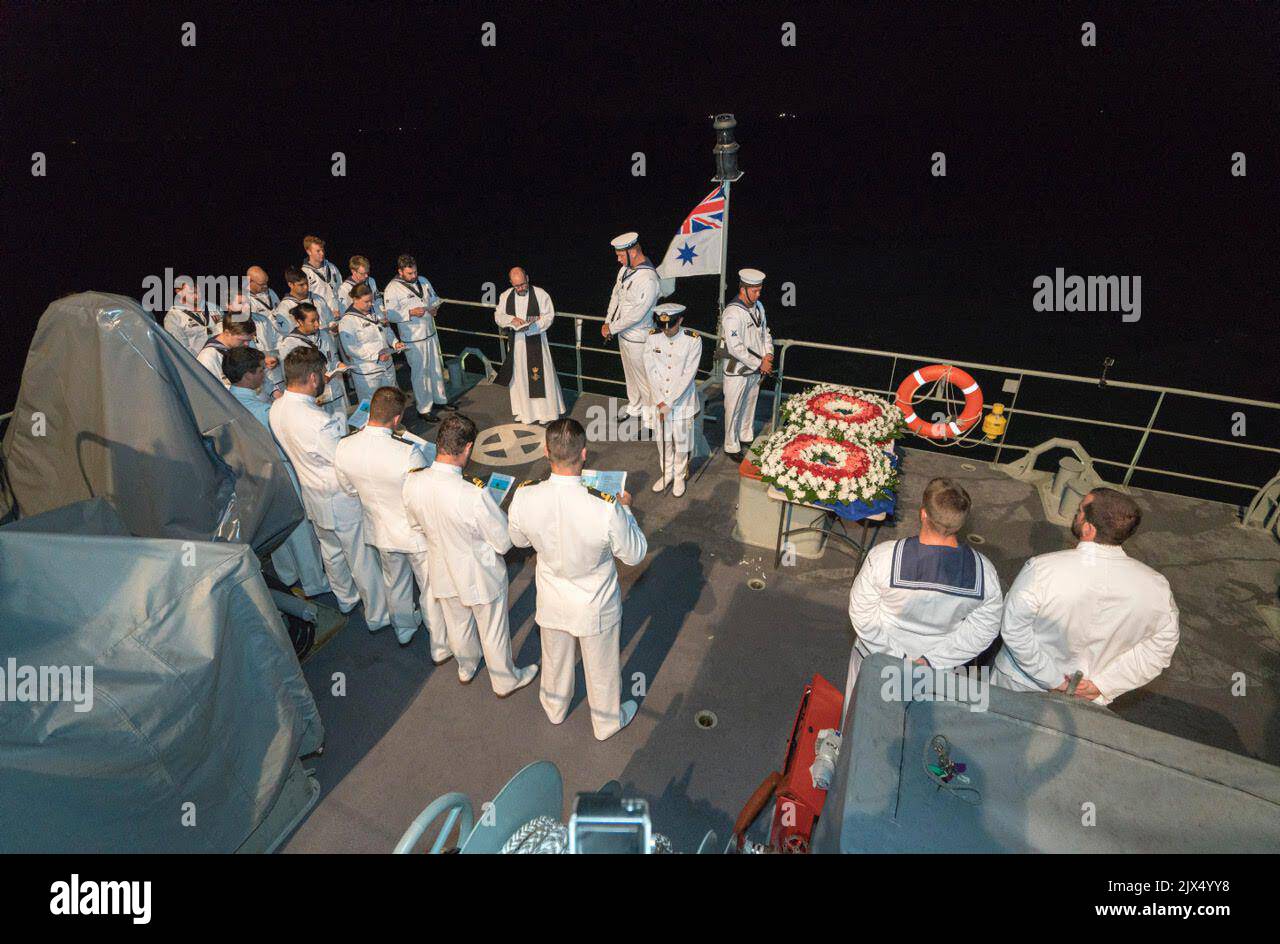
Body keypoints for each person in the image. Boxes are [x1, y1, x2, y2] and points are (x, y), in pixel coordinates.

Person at [507, 418, 647, 740]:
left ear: (546, 452)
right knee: (602, 667)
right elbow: (635, 554)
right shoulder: (605, 507)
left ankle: (555, 709)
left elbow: (518, 540)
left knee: (555, 660)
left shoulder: (525, 496)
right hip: (594, 603)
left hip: (552, 597)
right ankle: (606, 722)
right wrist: (626, 510)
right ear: (583, 454)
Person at [992, 487, 1180, 705]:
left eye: (1080, 510)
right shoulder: (1157, 586)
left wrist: (1054, 679)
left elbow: (1014, 628)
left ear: (1089, 529)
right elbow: (1161, 647)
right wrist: (1103, 684)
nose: (1076, 513)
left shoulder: (1042, 569)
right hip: (1086, 700)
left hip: (1018, 684)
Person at [402, 412, 539, 695]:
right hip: (479, 573)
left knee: (458, 624)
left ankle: (466, 666)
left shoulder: (413, 482)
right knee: (492, 630)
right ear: (467, 448)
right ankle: (504, 680)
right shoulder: (473, 494)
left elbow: (415, 526)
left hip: (441, 567)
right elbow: (503, 542)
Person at [843, 478, 1004, 708]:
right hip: (936, 671)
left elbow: (862, 614)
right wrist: (930, 661)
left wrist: (898, 658)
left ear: (923, 514)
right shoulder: (984, 573)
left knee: (860, 715)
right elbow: (984, 630)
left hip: (878, 659)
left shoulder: (883, 558)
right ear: (960, 523)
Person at [270, 346, 390, 630]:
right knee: (361, 557)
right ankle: (378, 615)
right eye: (322, 373)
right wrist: (359, 437)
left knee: (332, 552)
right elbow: (341, 460)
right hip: (339, 497)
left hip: (312, 493)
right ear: (313, 378)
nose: (325, 378)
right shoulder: (317, 422)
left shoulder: (276, 408)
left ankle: (346, 598)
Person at [333, 387, 446, 648]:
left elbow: (349, 489)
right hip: (413, 531)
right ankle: (439, 642)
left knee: (394, 582)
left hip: (379, 527)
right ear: (397, 419)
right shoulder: (407, 453)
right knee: (429, 586)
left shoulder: (344, 447)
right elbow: (421, 495)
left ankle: (403, 628)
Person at [224, 345, 328, 598]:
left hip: (248, 474)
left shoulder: (225, 399)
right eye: (261, 370)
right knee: (299, 528)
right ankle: (314, 581)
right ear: (248, 375)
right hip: (278, 470)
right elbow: (284, 443)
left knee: (275, 527)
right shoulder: (261, 412)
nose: (264, 374)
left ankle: (287, 574)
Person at [493, 266, 565, 424]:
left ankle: (546, 414)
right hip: (517, 344)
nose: (520, 288)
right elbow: (498, 315)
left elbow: (549, 316)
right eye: (516, 286)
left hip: (536, 341)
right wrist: (512, 320)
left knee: (541, 376)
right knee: (520, 378)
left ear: (527, 278)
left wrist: (533, 326)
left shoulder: (540, 294)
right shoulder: (505, 296)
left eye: (522, 284)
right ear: (511, 283)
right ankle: (525, 413)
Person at [644, 303, 702, 497]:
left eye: (671, 325)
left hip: (682, 402)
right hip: (659, 401)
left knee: (682, 442)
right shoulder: (652, 337)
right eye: (663, 326)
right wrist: (660, 401)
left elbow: (688, 375)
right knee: (663, 440)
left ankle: (679, 476)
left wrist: (668, 403)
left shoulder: (693, 340)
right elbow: (650, 370)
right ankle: (667, 473)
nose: (667, 330)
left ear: (680, 320)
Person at [383, 254, 448, 420]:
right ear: (400, 271)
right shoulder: (392, 288)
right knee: (420, 374)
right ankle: (424, 409)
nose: (414, 276)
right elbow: (389, 315)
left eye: (415, 272)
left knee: (436, 369)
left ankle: (440, 400)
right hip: (413, 339)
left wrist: (434, 307)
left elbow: (433, 297)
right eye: (410, 273)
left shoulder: (423, 281)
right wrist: (410, 312)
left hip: (430, 332)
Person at [603, 232, 660, 420]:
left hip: (638, 337)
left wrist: (612, 328)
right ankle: (634, 407)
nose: (618, 259)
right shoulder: (625, 271)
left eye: (621, 255)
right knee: (630, 376)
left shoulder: (648, 278)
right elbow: (616, 297)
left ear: (633, 252)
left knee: (645, 380)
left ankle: (651, 419)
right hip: (623, 334)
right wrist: (608, 321)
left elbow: (638, 313)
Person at [720, 268, 774, 460]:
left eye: (760, 290)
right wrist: (760, 364)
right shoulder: (732, 313)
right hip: (737, 369)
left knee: (750, 404)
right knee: (733, 407)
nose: (758, 294)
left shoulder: (758, 307)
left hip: (756, 367)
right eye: (755, 290)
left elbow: (765, 332)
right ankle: (731, 445)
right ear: (743, 289)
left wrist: (768, 354)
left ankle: (745, 435)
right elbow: (735, 347)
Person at [278, 300, 348, 427]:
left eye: (318, 319)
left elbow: (332, 358)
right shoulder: (289, 344)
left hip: (334, 391)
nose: (317, 324)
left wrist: (339, 365)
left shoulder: (324, 335)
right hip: (314, 398)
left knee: (343, 427)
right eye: (312, 321)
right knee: (325, 430)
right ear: (299, 321)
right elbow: (290, 377)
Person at [339, 282, 404, 403]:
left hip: (387, 365)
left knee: (391, 400)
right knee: (369, 405)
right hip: (368, 372)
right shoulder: (347, 321)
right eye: (366, 302)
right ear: (355, 299)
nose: (370, 304)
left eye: (371, 300)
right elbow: (351, 349)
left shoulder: (376, 311)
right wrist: (376, 356)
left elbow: (386, 329)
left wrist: (395, 343)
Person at [244, 266, 285, 396]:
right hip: (259, 367)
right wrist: (262, 358)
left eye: (266, 282)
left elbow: (278, 336)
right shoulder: (242, 299)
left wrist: (277, 355)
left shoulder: (270, 293)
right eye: (261, 284)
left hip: (276, 363)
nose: (265, 286)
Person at [163, 277, 220, 357]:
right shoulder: (173, 317)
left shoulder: (214, 308)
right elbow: (180, 351)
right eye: (192, 293)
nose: (197, 296)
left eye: (199, 292)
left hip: (221, 358)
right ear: (179, 292)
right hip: (197, 361)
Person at [196, 314, 256, 386]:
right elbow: (208, 388)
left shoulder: (241, 346)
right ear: (227, 333)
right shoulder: (208, 358)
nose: (247, 344)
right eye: (242, 340)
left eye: (249, 340)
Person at [302, 234, 344, 321]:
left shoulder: (332, 267)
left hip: (340, 315)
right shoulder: (304, 274)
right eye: (318, 251)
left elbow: (341, 289)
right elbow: (306, 302)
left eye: (322, 250)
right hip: (322, 320)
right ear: (309, 252)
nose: (322, 253)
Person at [339, 254, 384, 321]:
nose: (366, 276)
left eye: (367, 272)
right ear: (353, 272)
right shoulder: (345, 288)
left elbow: (378, 299)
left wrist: (383, 313)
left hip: (376, 319)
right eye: (363, 273)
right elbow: (344, 312)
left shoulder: (371, 281)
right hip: (358, 322)